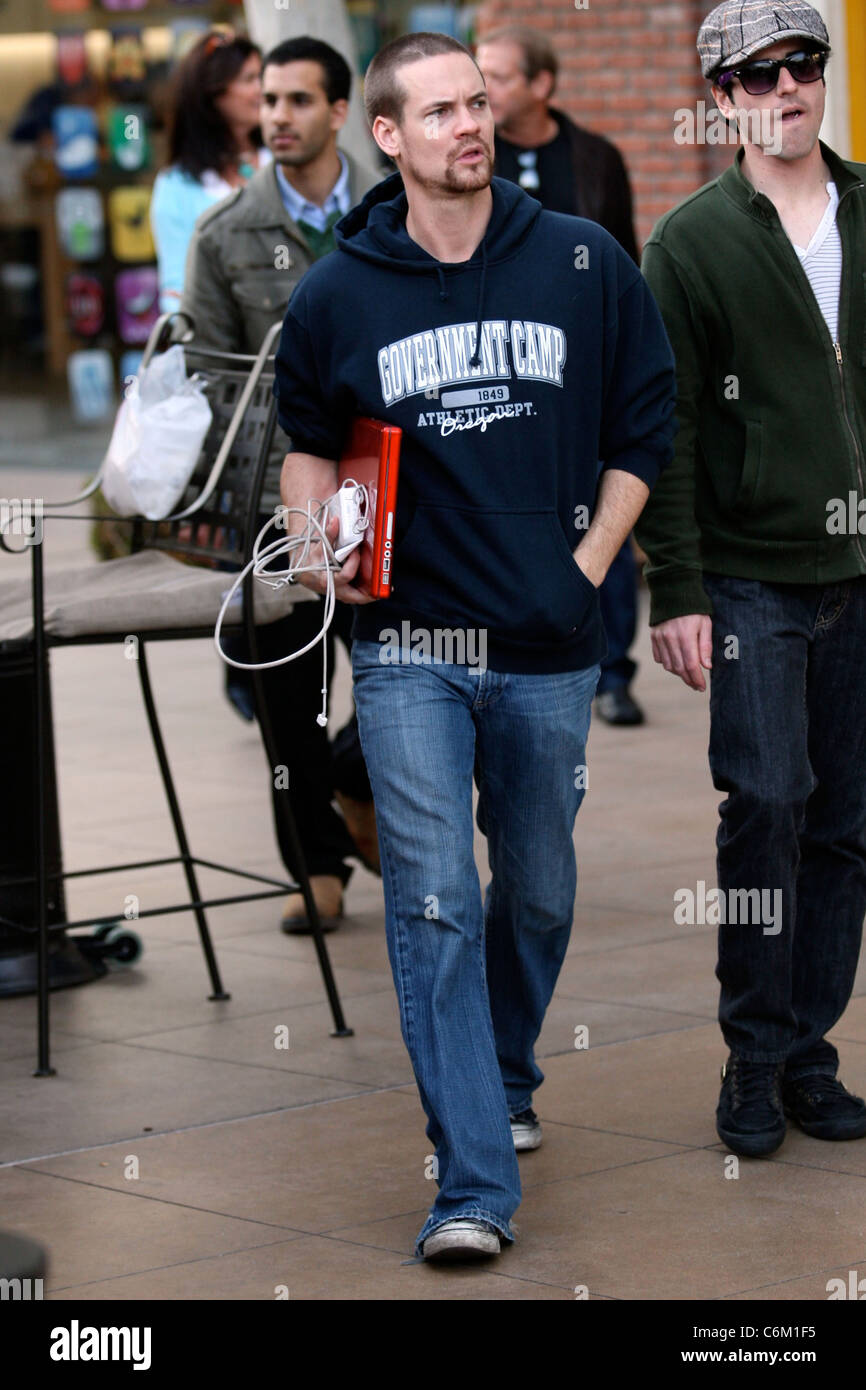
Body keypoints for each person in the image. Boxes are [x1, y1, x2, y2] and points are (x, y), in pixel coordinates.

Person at [275, 31, 676, 1260]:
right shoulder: (340, 289)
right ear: (384, 137)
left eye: (477, 101)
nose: (470, 123)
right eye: (439, 110)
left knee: (540, 891)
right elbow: (304, 435)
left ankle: (500, 1067)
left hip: (549, 638)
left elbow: (642, 425)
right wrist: (308, 542)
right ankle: (469, 1181)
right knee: (438, 899)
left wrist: (588, 565)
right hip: (407, 645)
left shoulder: (578, 257)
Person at [636, 0, 866, 1157]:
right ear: (718, 94)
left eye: (803, 64)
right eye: (757, 73)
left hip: (860, 568)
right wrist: (669, 585)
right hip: (747, 577)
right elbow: (663, 424)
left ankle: (809, 1055)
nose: (786, 88)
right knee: (765, 804)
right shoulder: (689, 242)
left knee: (841, 824)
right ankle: (753, 1050)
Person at [182, 37, 383, 933]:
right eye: (268, 101)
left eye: (299, 100)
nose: (278, 118)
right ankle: (317, 866)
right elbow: (204, 376)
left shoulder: (395, 206)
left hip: (396, 495)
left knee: (424, 672)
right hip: (278, 505)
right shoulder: (225, 233)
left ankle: (357, 782)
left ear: (338, 111)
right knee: (285, 703)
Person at [476, 23, 646, 728]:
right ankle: (514, 655)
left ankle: (613, 672)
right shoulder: (470, 157)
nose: (480, 95)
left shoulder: (597, 158)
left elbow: (626, 264)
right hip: (501, 373)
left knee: (603, 511)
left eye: (497, 79)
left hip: (587, 373)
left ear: (541, 85)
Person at [151, 31, 270, 315]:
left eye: (262, 77)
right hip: (220, 347)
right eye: (249, 79)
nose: (262, 89)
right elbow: (175, 292)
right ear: (212, 93)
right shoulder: (176, 187)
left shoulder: (283, 162)